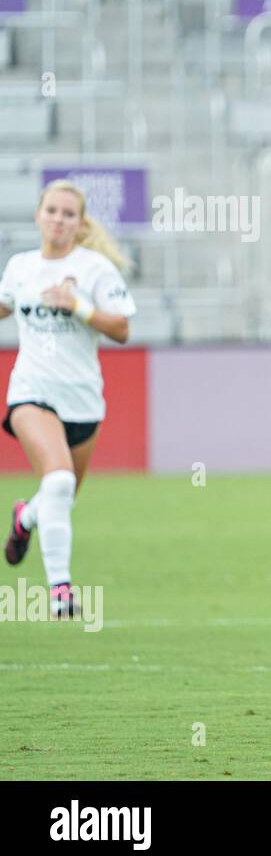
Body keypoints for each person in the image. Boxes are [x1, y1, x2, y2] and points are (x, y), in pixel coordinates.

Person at [1, 179, 136, 618]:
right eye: (51, 210)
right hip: (31, 392)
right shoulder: (20, 266)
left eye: (68, 213)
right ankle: (60, 591)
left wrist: (77, 305)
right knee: (58, 482)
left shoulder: (95, 269)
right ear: (38, 214)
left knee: (62, 494)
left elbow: (120, 330)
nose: (58, 219)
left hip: (82, 400)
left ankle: (25, 518)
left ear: (80, 224)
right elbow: (5, 305)